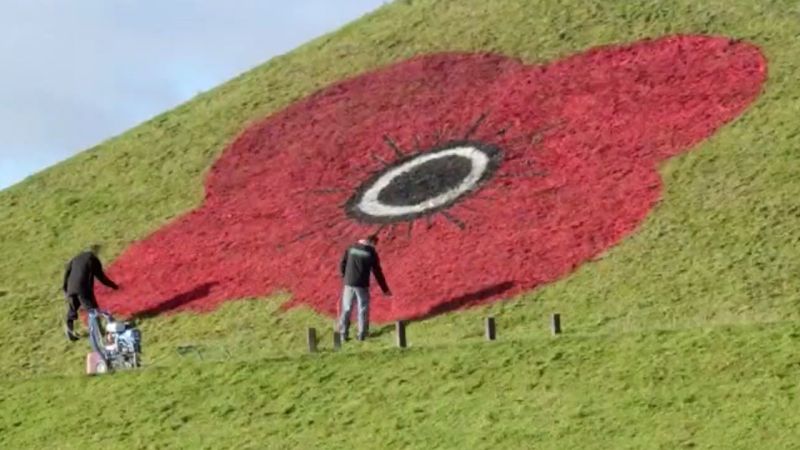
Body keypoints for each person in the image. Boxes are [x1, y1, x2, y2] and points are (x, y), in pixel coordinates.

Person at [338, 234, 391, 341]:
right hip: (362, 285)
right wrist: (385, 289)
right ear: (372, 242)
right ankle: (362, 334)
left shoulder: (351, 248)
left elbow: (342, 264)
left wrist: (345, 277)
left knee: (346, 308)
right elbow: (377, 272)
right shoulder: (371, 252)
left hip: (349, 283)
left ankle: (343, 334)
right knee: (362, 309)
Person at [61, 244, 119, 341]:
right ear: (95, 252)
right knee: (92, 310)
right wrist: (114, 286)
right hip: (83, 287)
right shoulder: (93, 259)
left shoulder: (75, 258)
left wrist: (65, 289)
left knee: (72, 309)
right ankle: (99, 332)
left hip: (71, 287)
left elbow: (67, 273)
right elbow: (102, 278)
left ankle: (69, 329)